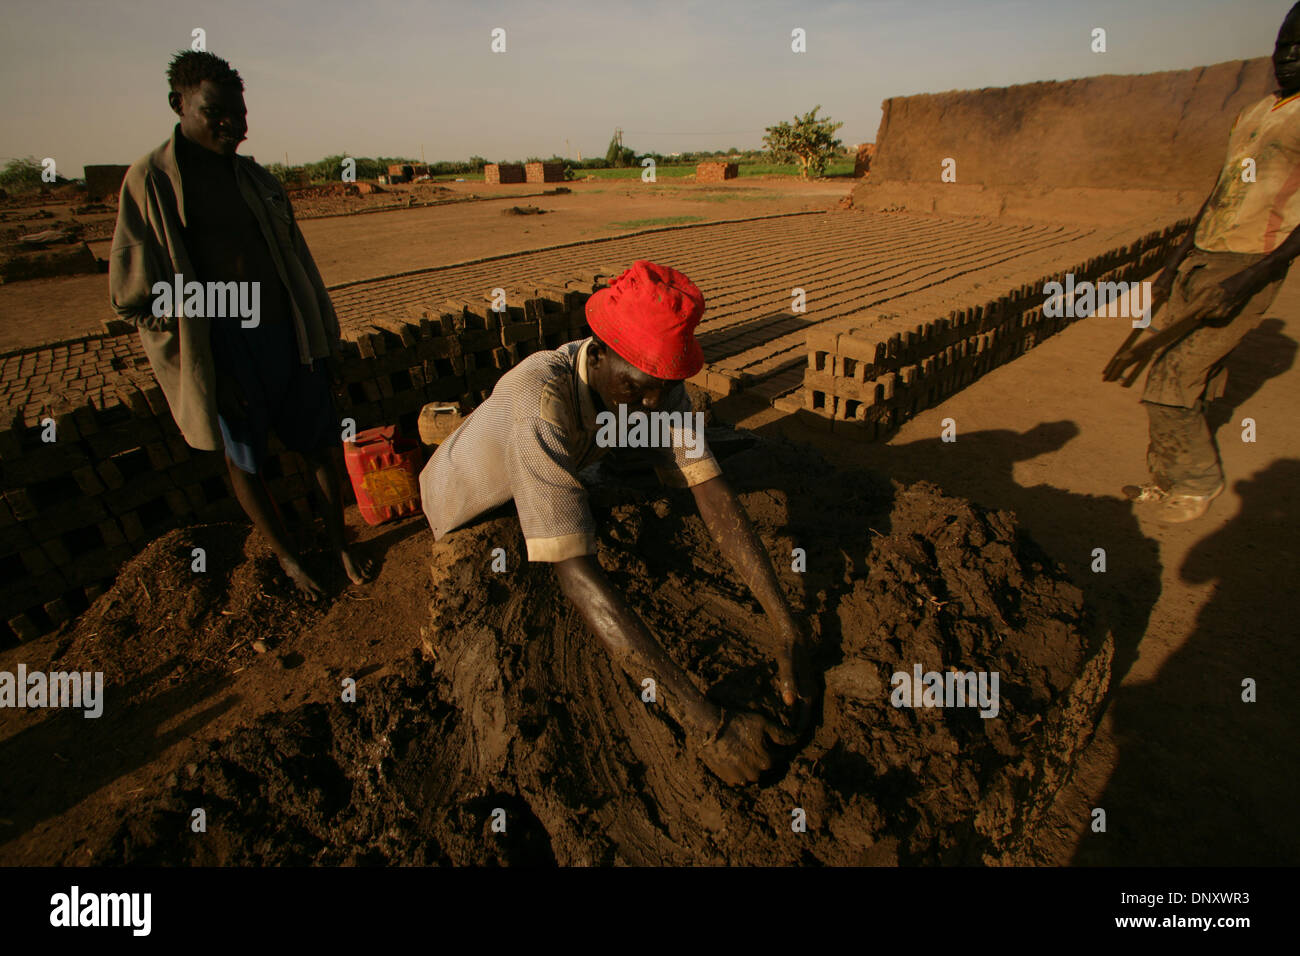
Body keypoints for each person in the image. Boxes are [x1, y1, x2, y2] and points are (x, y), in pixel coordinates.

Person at [419, 260, 808, 785]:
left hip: (558, 465)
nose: (650, 404)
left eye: (660, 389)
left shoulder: (655, 383)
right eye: (638, 388)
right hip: (470, 512)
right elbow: (575, 571)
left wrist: (783, 622)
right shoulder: (539, 396)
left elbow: (710, 490)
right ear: (597, 353)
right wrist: (707, 724)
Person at [109, 50, 374, 597]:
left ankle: (341, 542)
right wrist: (199, 357)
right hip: (223, 350)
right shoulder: (149, 183)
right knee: (246, 459)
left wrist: (323, 343)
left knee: (319, 443)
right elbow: (133, 299)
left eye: (241, 114)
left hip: (289, 335)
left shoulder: (257, 180)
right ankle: (290, 558)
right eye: (217, 113)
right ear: (176, 105)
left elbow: (300, 265)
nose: (234, 125)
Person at [1114, 4, 1300, 523]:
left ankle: (1197, 484)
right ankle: (1164, 477)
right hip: (1203, 257)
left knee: (1172, 378)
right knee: (1166, 370)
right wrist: (1173, 264)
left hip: (1248, 263)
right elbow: (1220, 193)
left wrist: (1250, 278)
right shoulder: (1255, 113)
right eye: (1284, 47)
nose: (1290, 57)